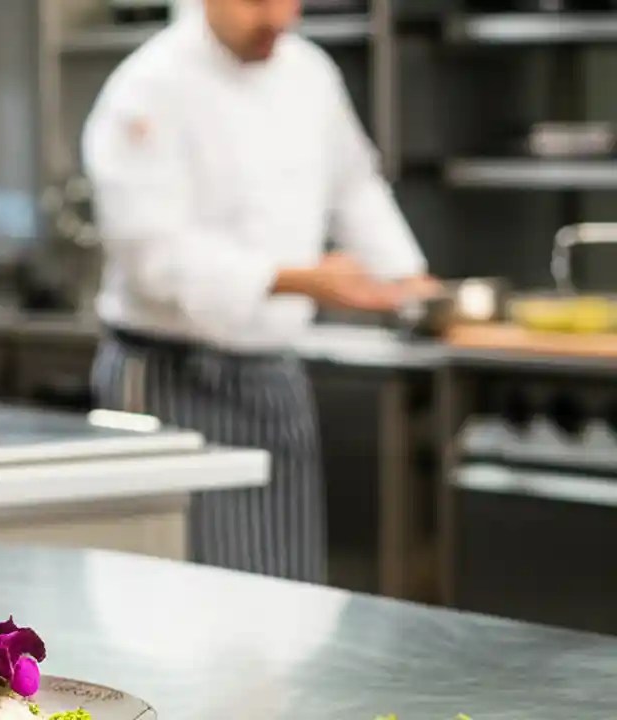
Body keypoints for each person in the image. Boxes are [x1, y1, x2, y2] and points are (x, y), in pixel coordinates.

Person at [82, 0, 437, 583]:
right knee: (170, 595)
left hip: (273, 380)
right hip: (165, 377)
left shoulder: (310, 73)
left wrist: (408, 278)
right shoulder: (147, 86)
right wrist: (294, 279)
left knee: (284, 588)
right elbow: (150, 254)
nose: (277, 18)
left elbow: (355, 187)